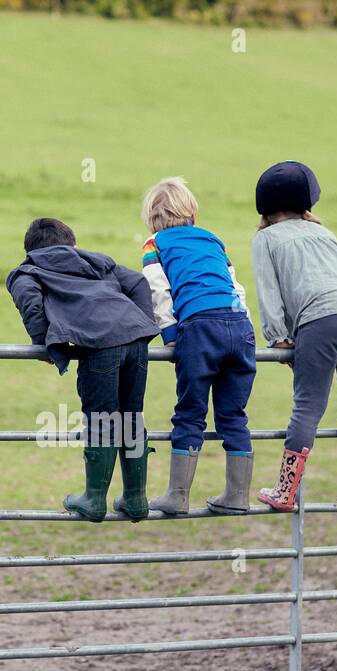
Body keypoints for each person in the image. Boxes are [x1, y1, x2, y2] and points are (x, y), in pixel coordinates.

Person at [251, 160, 337, 513]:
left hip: (321, 318)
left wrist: (279, 339)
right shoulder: (326, 233)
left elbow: (269, 293)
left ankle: (285, 491)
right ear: (308, 203)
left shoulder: (265, 238)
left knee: (308, 404)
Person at [6, 217, 158, 521]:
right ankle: (136, 499)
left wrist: (45, 343)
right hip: (135, 339)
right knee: (131, 414)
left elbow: (30, 303)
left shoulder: (26, 271)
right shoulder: (97, 261)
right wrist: (141, 326)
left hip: (99, 344)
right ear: (71, 243)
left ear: (30, 249)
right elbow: (139, 283)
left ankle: (94, 499)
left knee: (101, 418)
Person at [140, 176, 257, 515]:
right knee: (234, 414)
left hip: (200, 328)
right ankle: (237, 496)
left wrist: (171, 333)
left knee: (190, 413)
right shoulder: (214, 240)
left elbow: (158, 290)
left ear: (151, 218)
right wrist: (244, 326)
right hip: (239, 326)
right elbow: (237, 287)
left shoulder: (155, 244)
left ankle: (178, 496)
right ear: (193, 212)